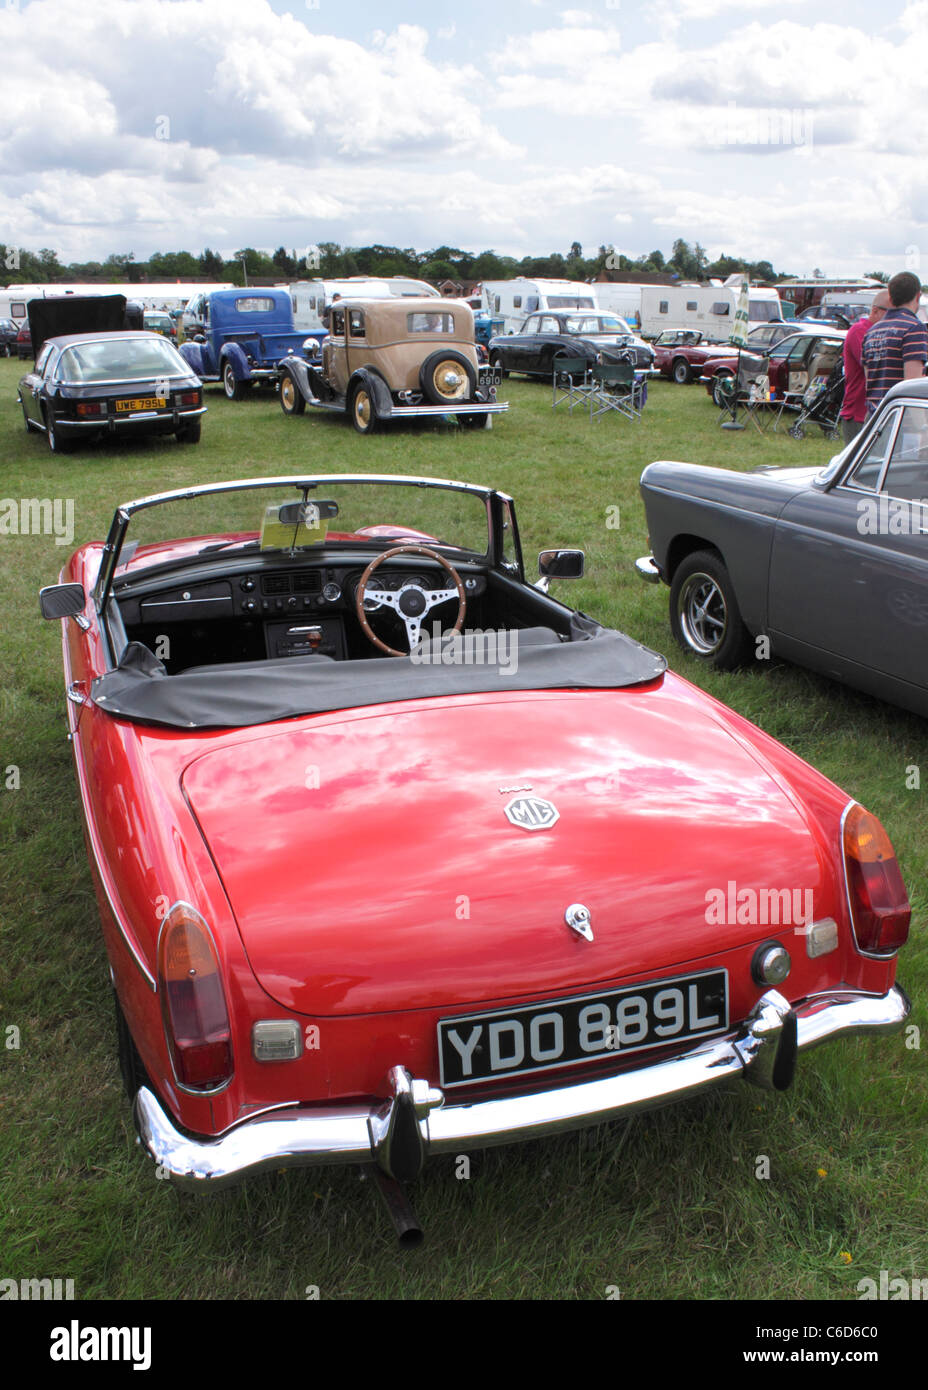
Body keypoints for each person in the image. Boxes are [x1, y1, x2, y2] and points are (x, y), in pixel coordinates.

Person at [861, 271, 927, 415]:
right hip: (900, 418)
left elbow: (869, 380)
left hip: (875, 417)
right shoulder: (914, 328)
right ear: (918, 296)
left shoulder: (871, 332)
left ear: (890, 299)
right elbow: (912, 384)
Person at [839, 289, 890, 443]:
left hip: (874, 413)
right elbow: (875, 365)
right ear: (875, 311)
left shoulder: (880, 332)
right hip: (858, 415)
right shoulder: (860, 331)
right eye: (891, 313)